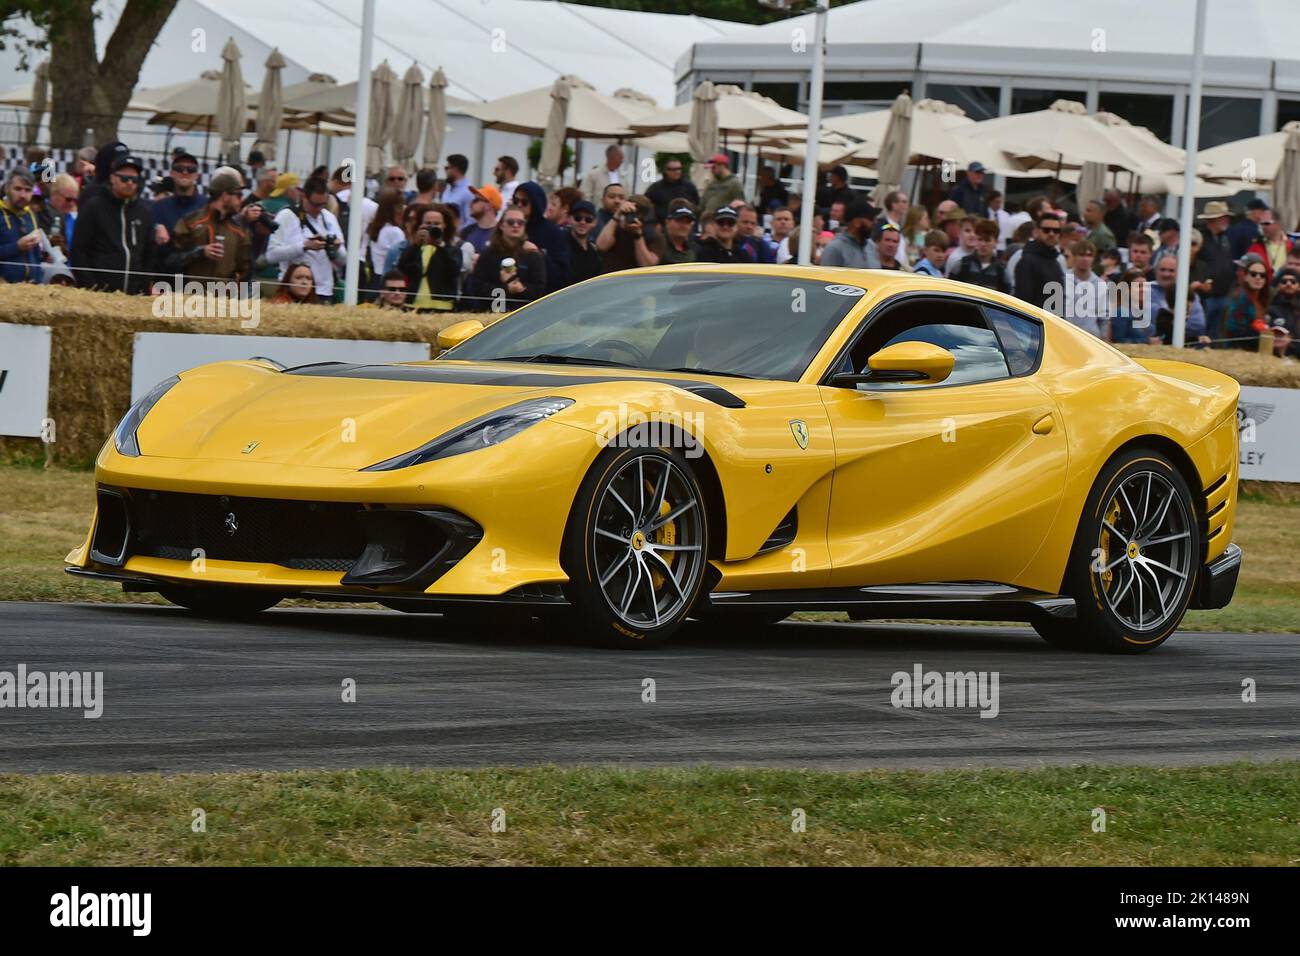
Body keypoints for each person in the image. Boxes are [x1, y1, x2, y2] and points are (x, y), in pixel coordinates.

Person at [71, 154, 155, 294]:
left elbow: (149, 253)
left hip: (133, 294)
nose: (129, 183)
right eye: (124, 178)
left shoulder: (143, 212)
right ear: (112, 178)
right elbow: (78, 250)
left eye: (134, 179)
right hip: (100, 292)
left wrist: (143, 286)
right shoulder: (94, 207)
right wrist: (90, 286)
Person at [167, 169, 259, 282]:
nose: (242, 200)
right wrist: (200, 252)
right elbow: (169, 260)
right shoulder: (191, 222)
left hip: (224, 297)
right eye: (238, 195)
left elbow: (247, 273)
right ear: (225, 195)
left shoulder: (241, 230)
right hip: (190, 296)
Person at [267, 176, 346, 303]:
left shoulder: (329, 218)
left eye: (323, 204)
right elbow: (271, 255)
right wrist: (304, 246)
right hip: (294, 293)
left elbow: (343, 260)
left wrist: (335, 249)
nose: (319, 209)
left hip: (324, 292)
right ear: (304, 196)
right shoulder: (286, 216)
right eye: (315, 204)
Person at [467, 208, 546, 311]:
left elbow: (539, 289)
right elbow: (476, 287)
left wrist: (522, 288)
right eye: (510, 222)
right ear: (501, 225)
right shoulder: (488, 254)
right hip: (491, 313)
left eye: (520, 222)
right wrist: (506, 289)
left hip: (523, 315)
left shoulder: (532, 255)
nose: (515, 225)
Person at [398, 203, 463, 312]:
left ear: (444, 226)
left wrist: (439, 246)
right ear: (420, 225)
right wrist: (416, 245)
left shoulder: (453, 250)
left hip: (443, 307)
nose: (432, 227)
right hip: (413, 306)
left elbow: (453, 271)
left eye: (437, 224)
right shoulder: (413, 249)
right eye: (428, 223)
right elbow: (403, 269)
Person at [512, 181, 569, 291]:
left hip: (541, 295)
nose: (518, 205)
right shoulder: (508, 225)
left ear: (535, 203)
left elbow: (562, 276)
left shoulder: (552, 232)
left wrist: (539, 254)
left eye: (524, 202)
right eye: (516, 201)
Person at [1147, 253, 1209, 346]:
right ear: (1155, 271)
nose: (1166, 274)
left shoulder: (1189, 294)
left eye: (1171, 270)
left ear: (1179, 273)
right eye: (1162, 270)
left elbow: (1198, 324)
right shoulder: (1145, 290)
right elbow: (1148, 322)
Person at [1195, 200, 1235, 341]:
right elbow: (1196, 264)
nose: (1226, 220)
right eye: (1223, 217)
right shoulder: (1201, 239)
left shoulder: (1224, 239)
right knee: (1203, 330)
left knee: (1215, 334)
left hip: (1223, 294)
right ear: (1213, 220)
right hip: (1206, 296)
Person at [1014, 211, 1066, 312]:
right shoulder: (1027, 261)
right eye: (1046, 230)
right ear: (1036, 232)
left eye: (1056, 231)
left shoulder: (1056, 261)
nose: (1051, 234)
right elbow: (1023, 302)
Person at [150, 152, 204, 247]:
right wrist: (155, 228)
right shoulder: (158, 207)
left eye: (191, 169)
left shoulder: (207, 206)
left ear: (197, 175)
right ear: (172, 173)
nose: (185, 172)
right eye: (179, 169)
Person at [597, 193, 662, 271]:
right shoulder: (614, 229)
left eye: (637, 214)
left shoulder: (652, 235)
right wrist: (617, 214)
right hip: (612, 279)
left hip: (636, 280)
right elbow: (601, 246)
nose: (633, 217)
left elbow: (646, 265)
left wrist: (637, 234)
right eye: (629, 212)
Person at [0, 169, 43, 283]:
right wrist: (17, 247)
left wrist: (38, 282)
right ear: (6, 188)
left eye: (28, 190)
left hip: (29, 290)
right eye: (18, 189)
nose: (23, 195)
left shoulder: (31, 216)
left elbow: (36, 256)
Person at [1061, 240, 1109, 339]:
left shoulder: (1100, 284)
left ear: (1093, 258)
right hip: (1066, 334)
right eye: (1081, 255)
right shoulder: (1063, 280)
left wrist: (1104, 338)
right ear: (1074, 257)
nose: (1085, 259)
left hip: (1091, 338)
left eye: (1089, 255)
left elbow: (1104, 317)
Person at [1223, 253, 1272, 349]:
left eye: (1262, 275)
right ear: (1246, 276)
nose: (1258, 277)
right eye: (1253, 274)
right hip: (1237, 352)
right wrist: (1258, 330)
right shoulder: (1241, 297)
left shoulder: (1263, 298)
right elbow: (1234, 330)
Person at [955, 219, 1010, 292]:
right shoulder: (963, 264)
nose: (983, 244)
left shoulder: (1001, 270)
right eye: (980, 239)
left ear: (996, 242)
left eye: (987, 240)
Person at [367, 187, 406, 287]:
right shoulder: (395, 232)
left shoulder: (376, 229)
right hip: (389, 280)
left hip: (375, 277)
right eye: (400, 206)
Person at [819, 201, 875, 268]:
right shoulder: (835, 249)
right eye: (871, 219)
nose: (874, 222)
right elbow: (826, 276)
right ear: (857, 222)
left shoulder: (871, 246)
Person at [645, 157, 699, 224]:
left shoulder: (689, 187)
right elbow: (646, 205)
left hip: (685, 224)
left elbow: (697, 205)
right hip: (661, 225)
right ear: (666, 170)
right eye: (673, 169)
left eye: (679, 169)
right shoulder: (655, 188)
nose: (677, 172)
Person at [1245, 212, 1294, 282]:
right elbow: (1245, 270)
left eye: (1267, 223)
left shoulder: (1292, 244)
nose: (1263, 227)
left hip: (1288, 287)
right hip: (1263, 289)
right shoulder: (1256, 246)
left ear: (1277, 224)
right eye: (1261, 224)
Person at [565, 198, 604, 284]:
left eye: (588, 219)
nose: (583, 222)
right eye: (578, 218)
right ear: (570, 219)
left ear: (595, 222)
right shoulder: (561, 244)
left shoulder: (594, 253)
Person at [1110, 269, 1155, 344]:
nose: (1143, 289)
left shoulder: (1148, 310)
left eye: (1146, 286)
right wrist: (1147, 341)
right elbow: (1118, 342)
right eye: (1139, 286)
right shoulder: (1121, 312)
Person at [38, 172, 79, 253]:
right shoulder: (42, 213)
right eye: (68, 199)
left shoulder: (74, 217)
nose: (72, 204)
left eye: (75, 200)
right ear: (55, 195)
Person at [1266, 267, 1300, 357]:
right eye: (1284, 281)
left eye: (1293, 281)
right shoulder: (1270, 310)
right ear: (1278, 286)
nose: (1288, 284)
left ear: (1299, 286)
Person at [699, 154, 744, 219]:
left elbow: (740, 205)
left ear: (722, 166)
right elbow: (701, 205)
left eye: (714, 168)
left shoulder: (734, 183)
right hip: (707, 221)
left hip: (723, 221)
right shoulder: (712, 184)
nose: (712, 171)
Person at [461, 185, 501, 254]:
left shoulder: (501, 233)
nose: (470, 203)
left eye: (476, 200)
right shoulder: (466, 232)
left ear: (489, 205)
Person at [876, 190, 910, 263]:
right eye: (904, 202)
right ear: (894, 205)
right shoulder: (881, 224)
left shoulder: (899, 226)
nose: (907, 205)